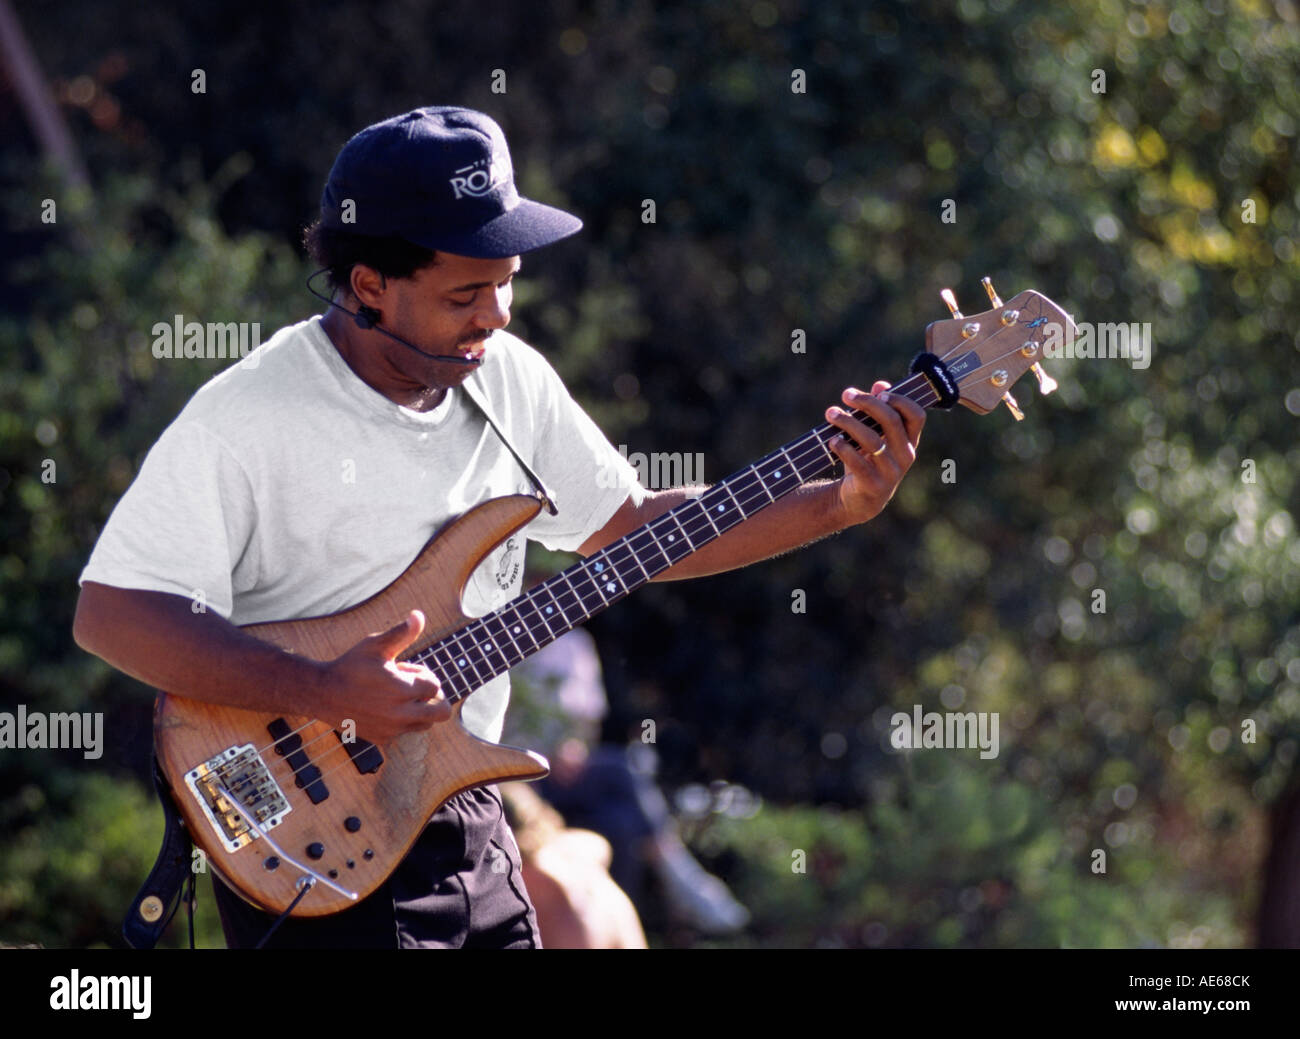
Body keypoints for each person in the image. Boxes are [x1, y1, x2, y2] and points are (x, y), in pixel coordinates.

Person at [72, 105, 926, 949]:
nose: (499, 313)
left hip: (467, 810)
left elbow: (628, 526)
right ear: (370, 285)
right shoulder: (246, 415)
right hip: (317, 838)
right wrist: (326, 689)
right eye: (465, 292)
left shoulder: (509, 376)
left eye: (507, 279)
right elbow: (111, 613)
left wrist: (839, 502)